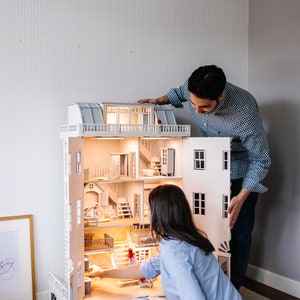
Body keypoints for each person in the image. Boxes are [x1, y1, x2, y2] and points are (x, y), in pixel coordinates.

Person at [138, 65, 271, 290]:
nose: (197, 112)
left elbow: (261, 160)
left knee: (238, 233)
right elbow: (179, 92)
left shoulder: (245, 113)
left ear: (220, 95)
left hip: (240, 169)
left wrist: (241, 197)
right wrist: (157, 101)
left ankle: (233, 289)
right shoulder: (195, 87)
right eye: (193, 104)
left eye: (205, 107)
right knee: (204, 225)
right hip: (209, 163)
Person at [87, 184, 241, 300]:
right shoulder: (183, 240)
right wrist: (102, 273)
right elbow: (145, 269)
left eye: (149, 209)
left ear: (160, 215)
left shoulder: (174, 251)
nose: (148, 214)